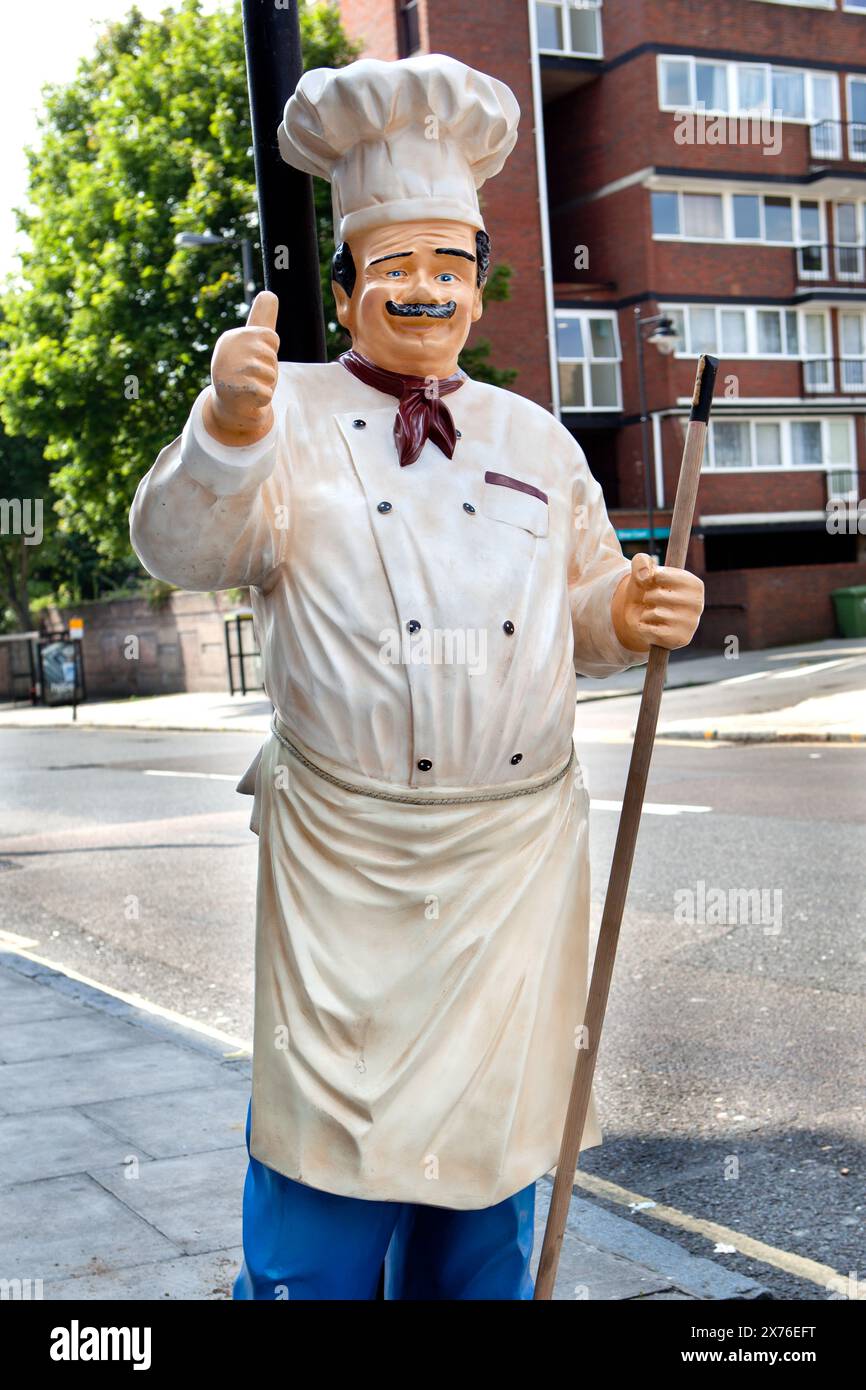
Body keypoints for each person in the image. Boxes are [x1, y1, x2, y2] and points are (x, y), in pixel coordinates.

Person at [129, 53, 704, 1300]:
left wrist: (631, 606)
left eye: (450, 266)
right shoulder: (283, 410)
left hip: (509, 869)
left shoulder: (532, 439)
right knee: (325, 1187)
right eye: (396, 267)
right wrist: (224, 430)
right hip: (349, 866)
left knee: (490, 1188)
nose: (427, 291)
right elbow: (185, 549)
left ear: (479, 286)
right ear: (344, 289)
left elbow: (579, 611)